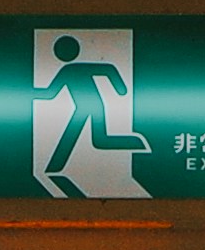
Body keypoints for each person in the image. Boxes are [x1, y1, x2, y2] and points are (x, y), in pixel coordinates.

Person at [37, 36, 146, 187]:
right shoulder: (70, 70)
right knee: (99, 139)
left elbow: (50, 93)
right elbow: (108, 69)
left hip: (90, 107)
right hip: (89, 107)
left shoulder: (68, 70)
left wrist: (120, 88)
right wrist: (120, 88)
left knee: (97, 139)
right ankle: (54, 167)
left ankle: (54, 167)